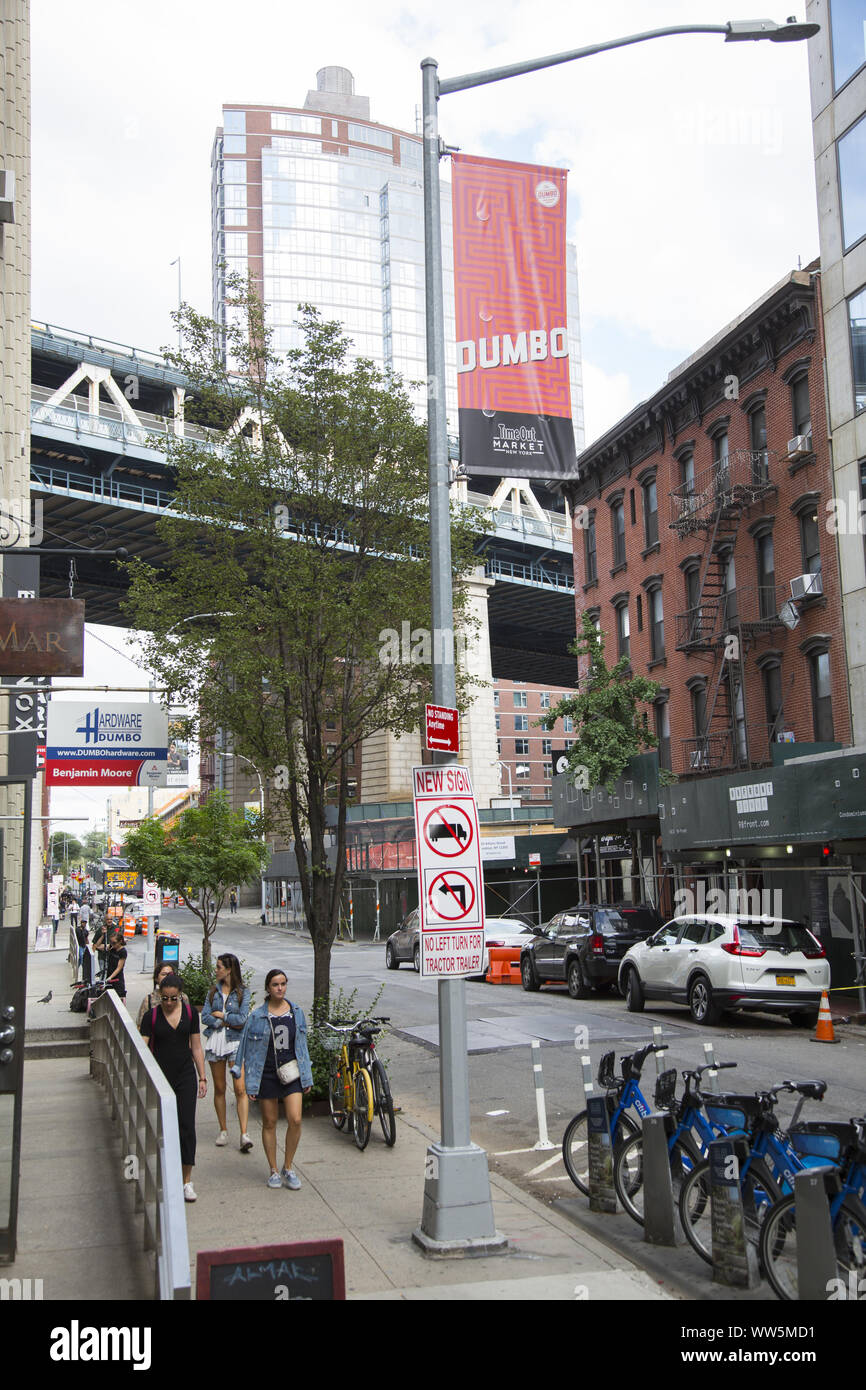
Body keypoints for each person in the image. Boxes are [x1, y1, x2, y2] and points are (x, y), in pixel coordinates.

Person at [231, 969, 312, 1190]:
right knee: (270, 1121)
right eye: (275, 984)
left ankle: (288, 1166)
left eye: (283, 984)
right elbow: (245, 1048)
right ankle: (274, 1170)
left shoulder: (296, 1012)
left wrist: (307, 1076)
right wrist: (243, 1074)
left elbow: (302, 1046)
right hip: (266, 1073)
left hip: (292, 1071)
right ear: (268, 988)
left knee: (295, 1119)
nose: (280, 988)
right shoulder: (257, 1016)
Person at [140, 972, 206, 1202]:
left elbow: (196, 1046)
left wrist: (202, 1077)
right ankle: (165, 1175)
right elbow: (143, 1049)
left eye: (173, 998)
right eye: (165, 998)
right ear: (159, 995)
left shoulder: (190, 1014)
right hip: (160, 1077)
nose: (168, 1003)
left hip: (185, 1075)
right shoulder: (151, 1017)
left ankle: (186, 1180)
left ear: (181, 996)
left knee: (187, 1126)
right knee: (163, 1128)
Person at [201, 954, 253, 1152]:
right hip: (216, 1041)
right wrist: (220, 1022)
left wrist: (223, 1016)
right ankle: (223, 1130)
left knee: (240, 1088)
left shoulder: (242, 992)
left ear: (229, 969)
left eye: (219, 967)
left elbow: (241, 1019)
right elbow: (205, 1016)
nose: (216, 970)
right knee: (220, 1088)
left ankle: (244, 1133)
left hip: (235, 1042)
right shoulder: (213, 991)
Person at [136, 962, 191, 1029]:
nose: (167, 977)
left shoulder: (183, 997)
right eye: (163, 974)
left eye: (170, 974)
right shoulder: (149, 1000)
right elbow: (140, 1025)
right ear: (156, 978)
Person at [105, 929, 128, 1005]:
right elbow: (100, 946)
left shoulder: (122, 952)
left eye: (114, 943)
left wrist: (110, 977)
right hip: (109, 973)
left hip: (117, 978)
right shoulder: (112, 949)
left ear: (120, 941)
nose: (112, 945)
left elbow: (119, 967)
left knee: (118, 999)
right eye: (111, 942)